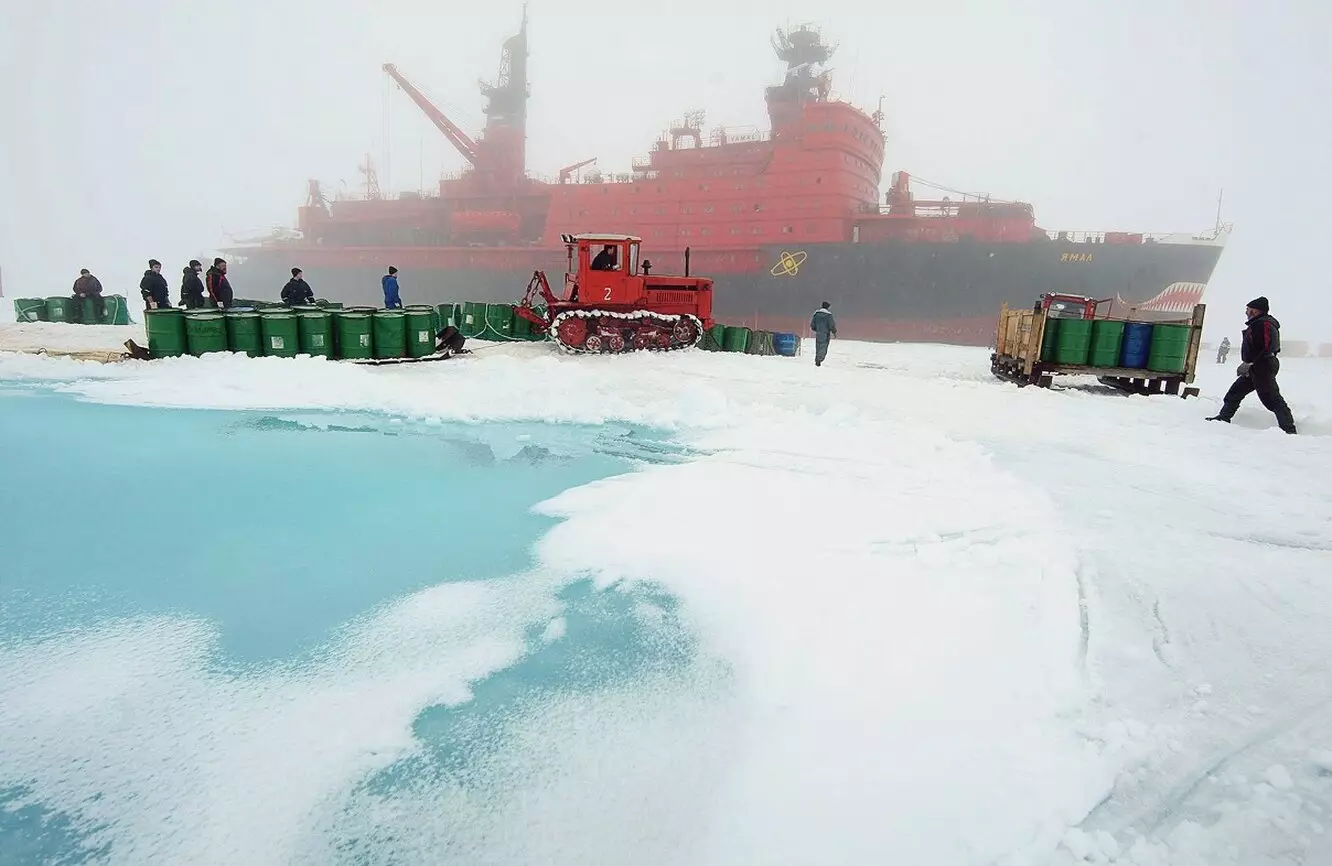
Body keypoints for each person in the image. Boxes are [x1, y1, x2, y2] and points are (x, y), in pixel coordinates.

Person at [1206, 296, 1297, 434]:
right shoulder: (1257, 324)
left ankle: (1289, 430)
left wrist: (1251, 363)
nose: (1246, 312)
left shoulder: (1264, 324)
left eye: (1248, 309)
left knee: (1272, 399)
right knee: (1235, 392)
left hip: (1263, 366)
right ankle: (1223, 417)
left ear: (1256, 311)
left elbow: (1267, 347)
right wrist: (1248, 363)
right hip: (1255, 366)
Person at [810, 300, 837, 367]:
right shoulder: (829, 315)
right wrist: (834, 331)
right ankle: (819, 359)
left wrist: (815, 329)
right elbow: (831, 325)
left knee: (818, 346)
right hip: (826, 333)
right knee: (823, 347)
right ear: (828, 307)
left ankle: (817, 359)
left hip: (818, 333)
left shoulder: (816, 314)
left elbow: (812, 324)